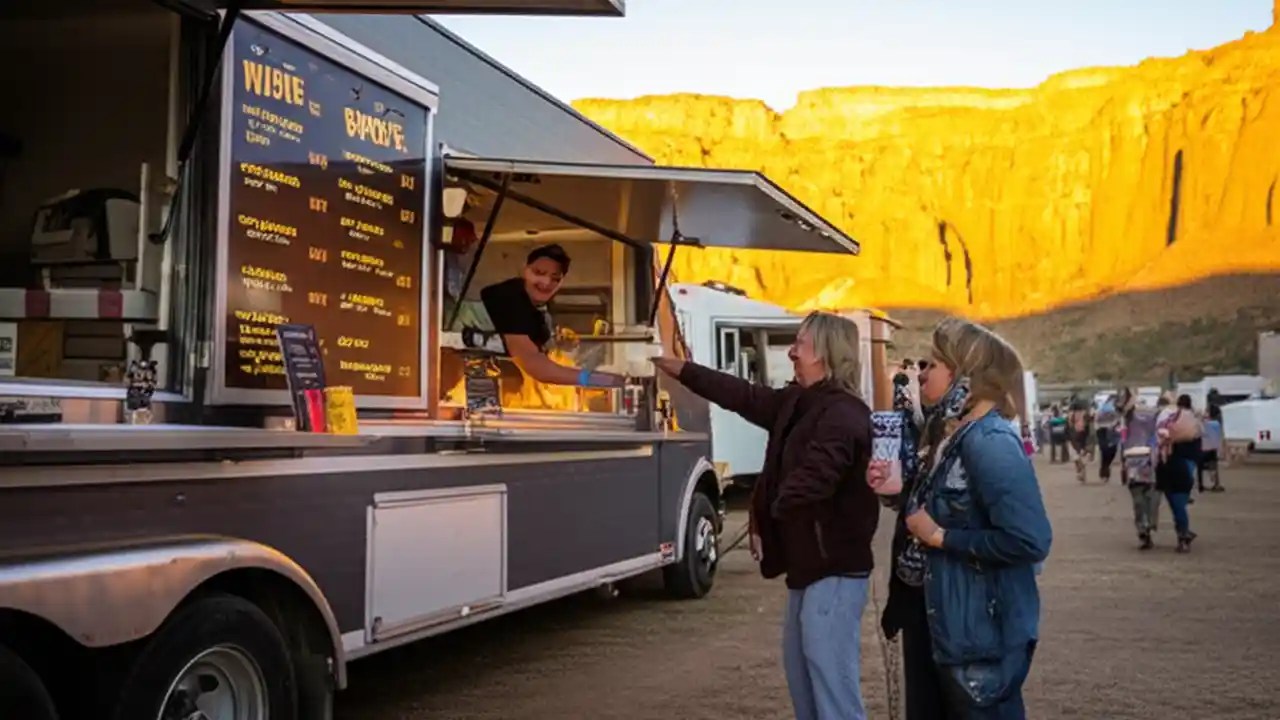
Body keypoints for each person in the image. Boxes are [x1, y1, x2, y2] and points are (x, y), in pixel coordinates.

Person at [653, 312, 877, 720]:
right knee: (804, 678)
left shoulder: (844, 414)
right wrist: (681, 369)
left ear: (826, 354)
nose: (792, 351)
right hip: (808, 570)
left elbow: (814, 479)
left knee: (832, 687)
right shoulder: (798, 402)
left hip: (835, 573)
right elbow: (742, 395)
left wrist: (767, 516)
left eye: (802, 344)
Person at [872, 318, 1052, 720]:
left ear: (964, 375)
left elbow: (1029, 540)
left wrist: (941, 538)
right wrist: (895, 493)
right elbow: (935, 511)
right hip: (941, 621)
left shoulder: (988, 442)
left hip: (977, 636)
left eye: (931, 364)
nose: (921, 374)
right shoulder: (951, 436)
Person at [477, 244, 625, 388]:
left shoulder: (538, 307)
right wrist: (594, 379)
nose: (546, 282)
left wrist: (562, 346)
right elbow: (534, 363)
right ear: (525, 271)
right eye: (539, 273)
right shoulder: (509, 298)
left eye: (555, 278)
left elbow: (538, 347)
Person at [1155, 393, 1201, 553]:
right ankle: (1184, 534)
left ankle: (1183, 535)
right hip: (1185, 466)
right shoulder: (1194, 424)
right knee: (1179, 504)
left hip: (1171, 469)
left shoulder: (1169, 428)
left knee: (1176, 506)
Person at [1094, 394, 1121, 482]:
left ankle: (1106, 468)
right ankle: (1104, 471)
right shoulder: (1102, 408)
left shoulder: (1117, 409)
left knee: (1112, 451)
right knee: (1105, 450)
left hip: (1112, 431)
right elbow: (1096, 419)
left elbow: (1118, 419)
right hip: (1102, 430)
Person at [1200, 404, 1224, 492]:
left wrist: (1201, 418)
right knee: (1213, 467)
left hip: (1205, 448)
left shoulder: (1207, 423)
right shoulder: (1217, 423)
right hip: (1213, 448)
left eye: (1206, 411)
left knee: (1206, 467)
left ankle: (1204, 484)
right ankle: (1216, 484)